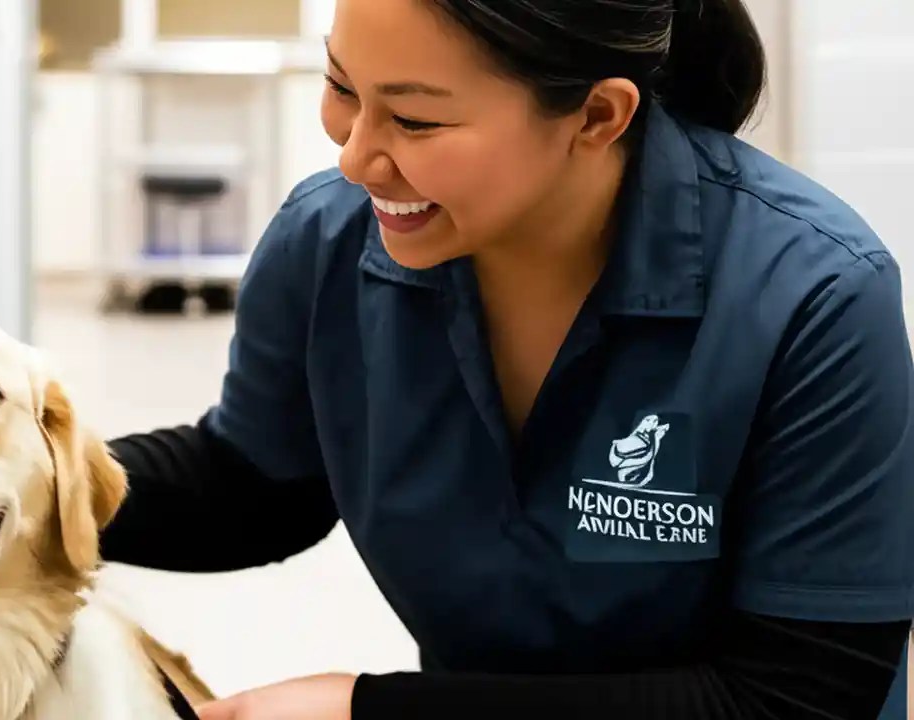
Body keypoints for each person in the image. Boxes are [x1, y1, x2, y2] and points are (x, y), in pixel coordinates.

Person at [99, 0, 914, 717]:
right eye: (343, 87)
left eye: (415, 121)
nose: (354, 156)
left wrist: (368, 711)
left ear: (597, 116)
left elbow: (798, 695)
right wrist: (23, 484)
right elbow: (253, 486)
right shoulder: (329, 243)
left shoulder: (812, 292)